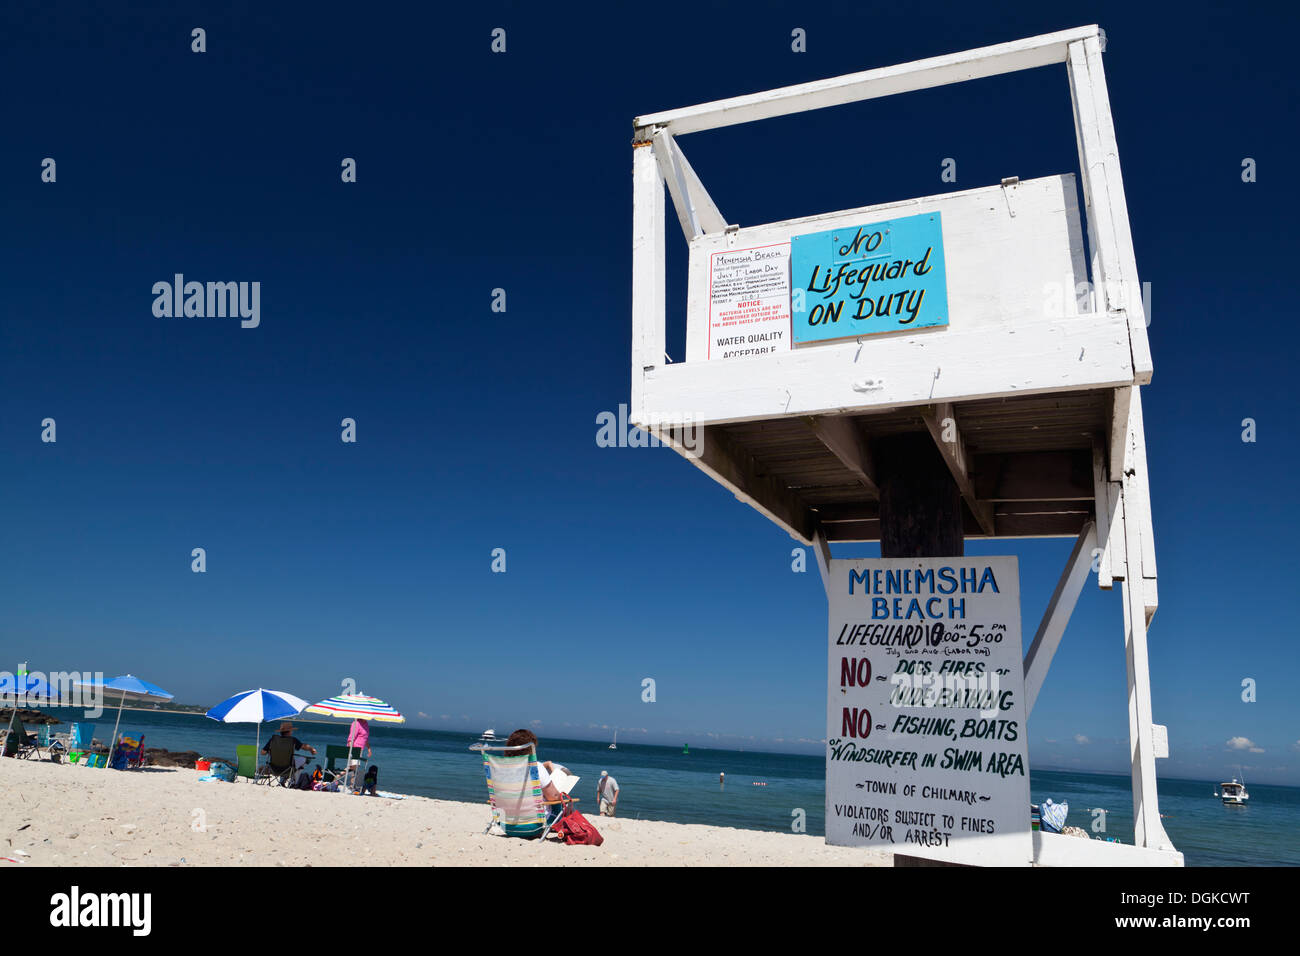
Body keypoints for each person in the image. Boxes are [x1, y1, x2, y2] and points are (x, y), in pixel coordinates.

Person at [504, 729, 564, 825]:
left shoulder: (502, 768)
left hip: (507, 824)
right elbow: (554, 797)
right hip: (533, 826)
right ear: (530, 749)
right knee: (560, 800)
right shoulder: (536, 767)